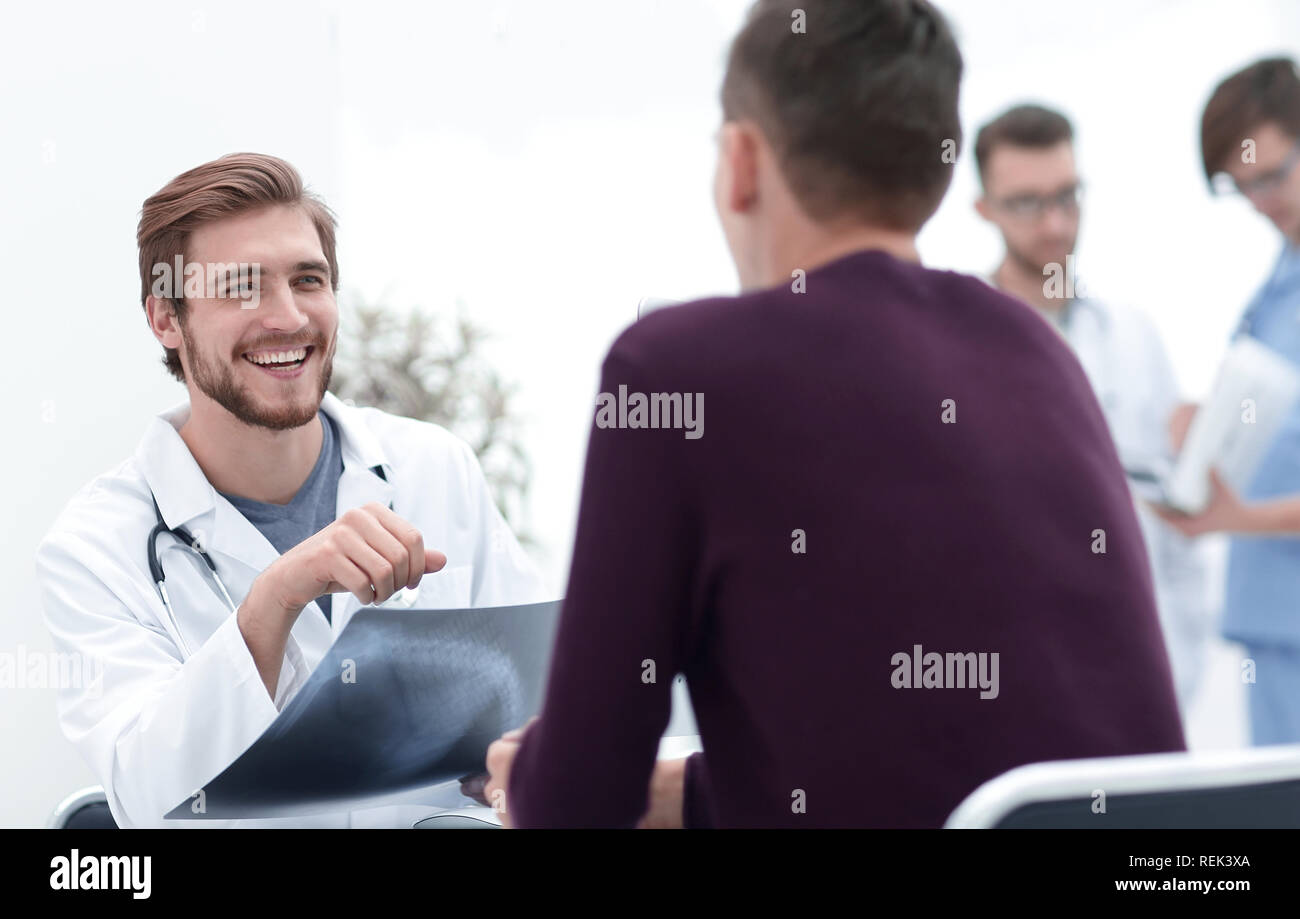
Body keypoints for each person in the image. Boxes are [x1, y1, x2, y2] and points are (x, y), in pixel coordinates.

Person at [481, 0, 1185, 829]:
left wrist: (529, 775)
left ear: (741, 162)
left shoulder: (673, 370)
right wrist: (698, 795)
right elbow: (944, 754)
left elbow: (580, 800)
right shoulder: (1038, 352)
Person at [35, 153, 549, 828]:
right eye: (242, 287)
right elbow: (149, 797)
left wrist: (529, 762)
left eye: (308, 280)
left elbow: (542, 694)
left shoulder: (434, 467)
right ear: (166, 319)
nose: (287, 317)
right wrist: (276, 597)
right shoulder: (98, 547)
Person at [974, 104, 1212, 713]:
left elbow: (1175, 515)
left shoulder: (1133, 336)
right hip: (1021, 678)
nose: (1054, 222)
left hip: (1147, 677)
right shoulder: (958, 346)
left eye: (1068, 196)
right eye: (1026, 203)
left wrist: (1179, 665)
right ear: (985, 209)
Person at [1154, 58, 1300, 746]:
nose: (1261, 202)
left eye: (1272, 176)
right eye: (1239, 187)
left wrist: (1245, 517)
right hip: (1275, 627)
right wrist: (1206, 420)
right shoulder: (1279, 281)